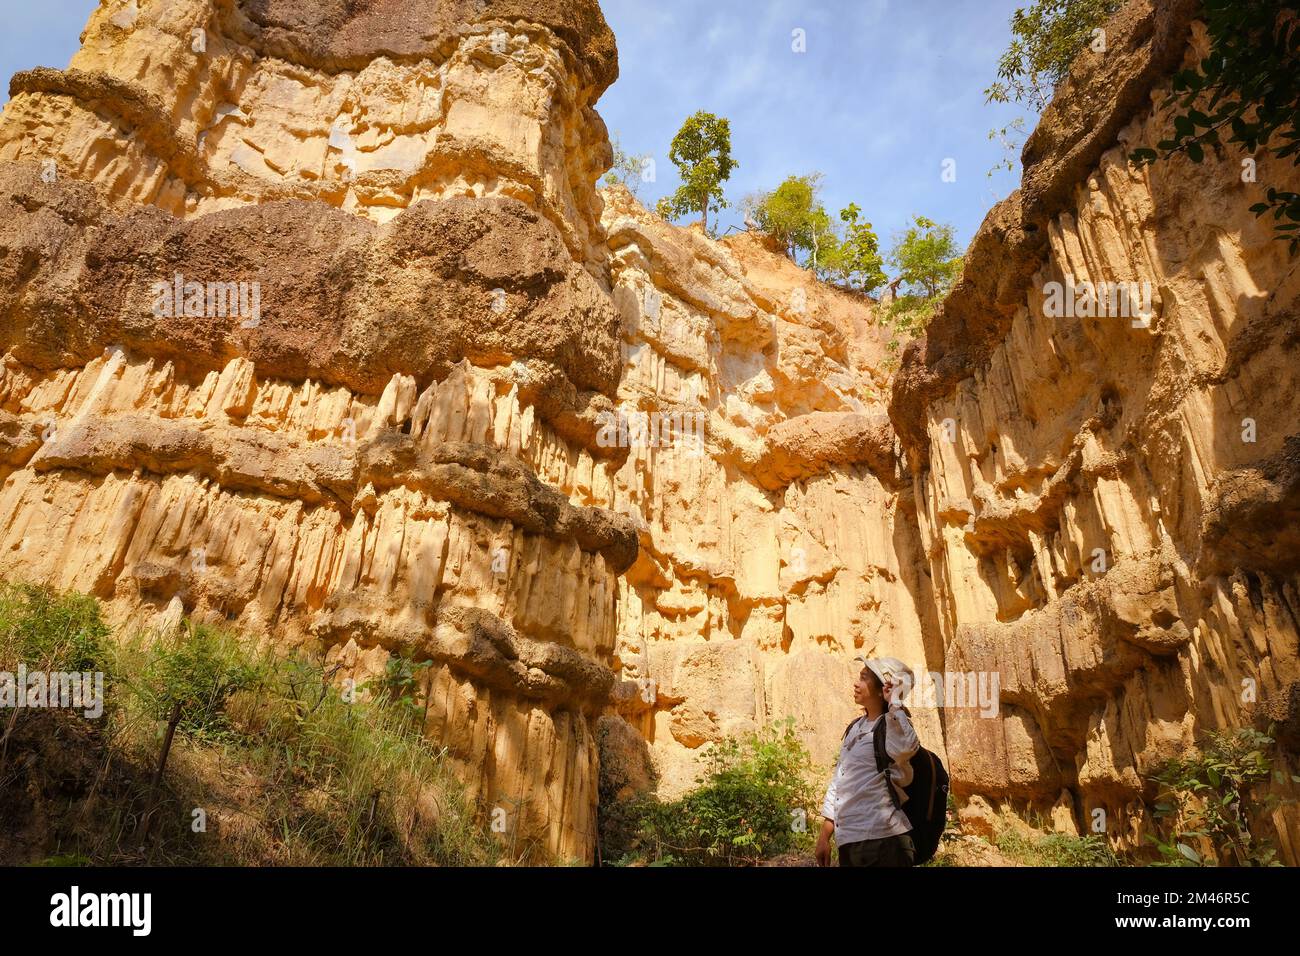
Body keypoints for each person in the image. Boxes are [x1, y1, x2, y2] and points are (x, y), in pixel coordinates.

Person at [816, 656, 919, 867]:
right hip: (851, 842)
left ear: (884, 688)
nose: (856, 683)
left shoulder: (892, 726)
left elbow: (907, 747)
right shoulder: (856, 727)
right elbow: (840, 781)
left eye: (863, 678)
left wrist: (895, 705)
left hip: (884, 842)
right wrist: (824, 836)